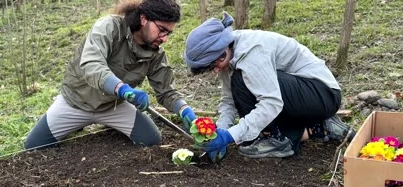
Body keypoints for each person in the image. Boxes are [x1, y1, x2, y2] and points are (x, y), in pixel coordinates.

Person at [24, 0, 197, 150]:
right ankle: (76, 124)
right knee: (34, 145)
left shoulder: (156, 53)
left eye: (168, 33)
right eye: (161, 30)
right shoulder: (110, 27)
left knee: (151, 140)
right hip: (76, 101)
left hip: (113, 106)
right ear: (144, 19)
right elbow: (92, 65)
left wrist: (184, 110)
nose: (164, 38)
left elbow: (166, 91)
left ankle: (112, 124)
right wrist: (123, 89)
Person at [184, 12, 354, 159]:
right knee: (246, 119)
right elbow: (229, 100)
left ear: (224, 46)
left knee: (242, 83)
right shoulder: (227, 53)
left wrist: (230, 135)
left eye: (216, 63)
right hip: (302, 95)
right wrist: (220, 131)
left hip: (322, 94)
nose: (216, 70)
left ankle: (276, 139)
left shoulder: (251, 53)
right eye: (210, 68)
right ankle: (319, 127)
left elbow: (271, 103)